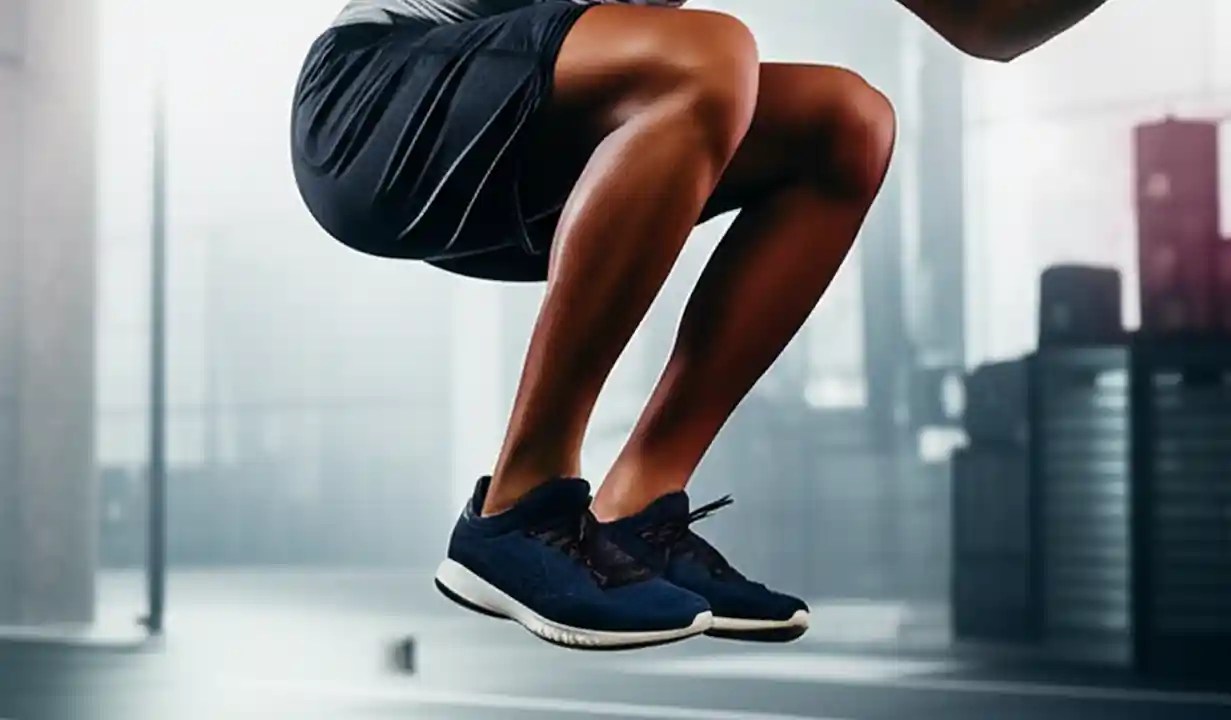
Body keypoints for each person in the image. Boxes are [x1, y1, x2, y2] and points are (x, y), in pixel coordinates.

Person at [291, 0, 1113, 649]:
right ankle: (518, 506)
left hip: (537, 154)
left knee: (846, 122)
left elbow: (993, 23)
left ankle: (635, 510)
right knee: (711, 55)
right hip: (375, 110)